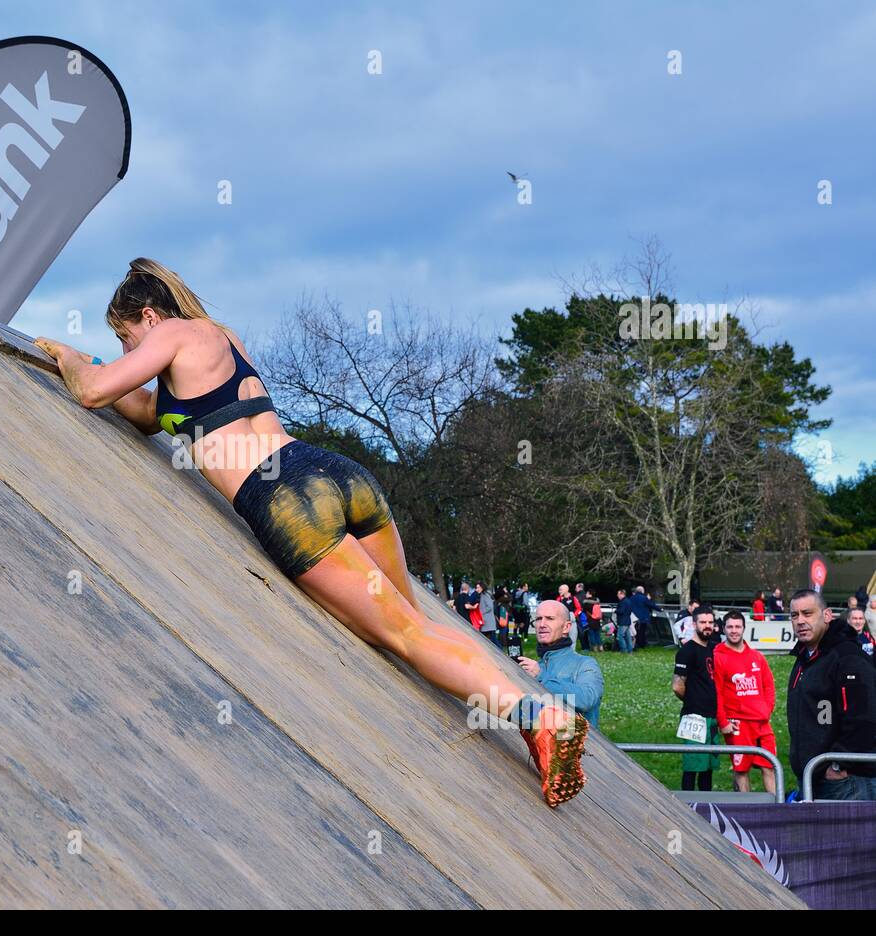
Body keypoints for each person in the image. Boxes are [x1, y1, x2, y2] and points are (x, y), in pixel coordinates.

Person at [36, 258, 589, 807]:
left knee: (403, 636)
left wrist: (68, 357)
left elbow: (95, 392)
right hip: (334, 474)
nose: (130, 351)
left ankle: (539, 717)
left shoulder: (174, 333)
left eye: (126, 336)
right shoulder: (221, 340)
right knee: (416, 621)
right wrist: (106, 371)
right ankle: (526, 715)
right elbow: (151, 412)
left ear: (150, 316)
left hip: (286, 502)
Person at [786, 589, 876, 800]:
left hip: (846, 782)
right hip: (813, 776)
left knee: (852, 835)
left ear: (827, 615)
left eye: (808, 613)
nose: (800, 621)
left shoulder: (847, 657)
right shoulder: (804, 658)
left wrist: (838, 765)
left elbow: (865, 717)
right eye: (794, 615)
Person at [713, 611, 778, 796]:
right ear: (723, 629)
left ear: (744, 628)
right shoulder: (719, 657)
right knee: (741, 770)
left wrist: (766, 710)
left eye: (738, 626)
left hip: (761, 722)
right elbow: (716, 693)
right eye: (730, 627)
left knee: (770, 766)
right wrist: (723, 722)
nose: (734, 631)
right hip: (738, 723)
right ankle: (747, 812)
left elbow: (768, 686)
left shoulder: (756, 656)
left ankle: (778, 811)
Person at [517, 601, 603, 730]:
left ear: (566, 627)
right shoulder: (536, 666)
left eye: (550, 619)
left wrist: (541, 677)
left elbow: (586, 699)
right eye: (538, 619)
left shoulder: (585, 663)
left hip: (580, 747)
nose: (542, 624)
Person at [672, 606, 721, 793]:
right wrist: (693, 699)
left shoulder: (713, 648)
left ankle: (708, 806)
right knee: (692, 765)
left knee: (709, 766)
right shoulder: (687, 651)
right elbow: (677, 685)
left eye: (710, 622)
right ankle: (688, 806)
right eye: (703, 622)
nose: (707, 626)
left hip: (713, 716)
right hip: (694, 717)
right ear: (694, 624)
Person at [556, 584, 582, 648]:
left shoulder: (573, 598)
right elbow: (556, 609)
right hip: (562, 622)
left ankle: (572, 652)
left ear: (566, 590)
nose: (559, 591)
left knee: (572, 638)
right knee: (561, 638)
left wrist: (573, 615)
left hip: (572, 622)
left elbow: (579, 608)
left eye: (560, 590)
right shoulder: (558, 599)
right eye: (559, 590)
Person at [476, 581, 498, 646]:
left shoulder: (485, 595)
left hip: (488, 622)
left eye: (478, 587)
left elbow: (490, 606)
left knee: (492, 640)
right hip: (487, 621)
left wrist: (481, 613)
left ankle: (501, 652)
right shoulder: (483, 595)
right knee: (490, 640)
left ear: (482, 587)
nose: (476, 589)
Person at [614, 588, 635, 654]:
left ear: (622, 594)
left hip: (622, 621)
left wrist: (616, 611)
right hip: (627, 621)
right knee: (628, 637)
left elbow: (621, 611)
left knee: (620, 636)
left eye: (618, 594)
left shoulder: (622, 602)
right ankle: (630, 650)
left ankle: (623, 650)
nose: (617, 595)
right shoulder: (628, 601)